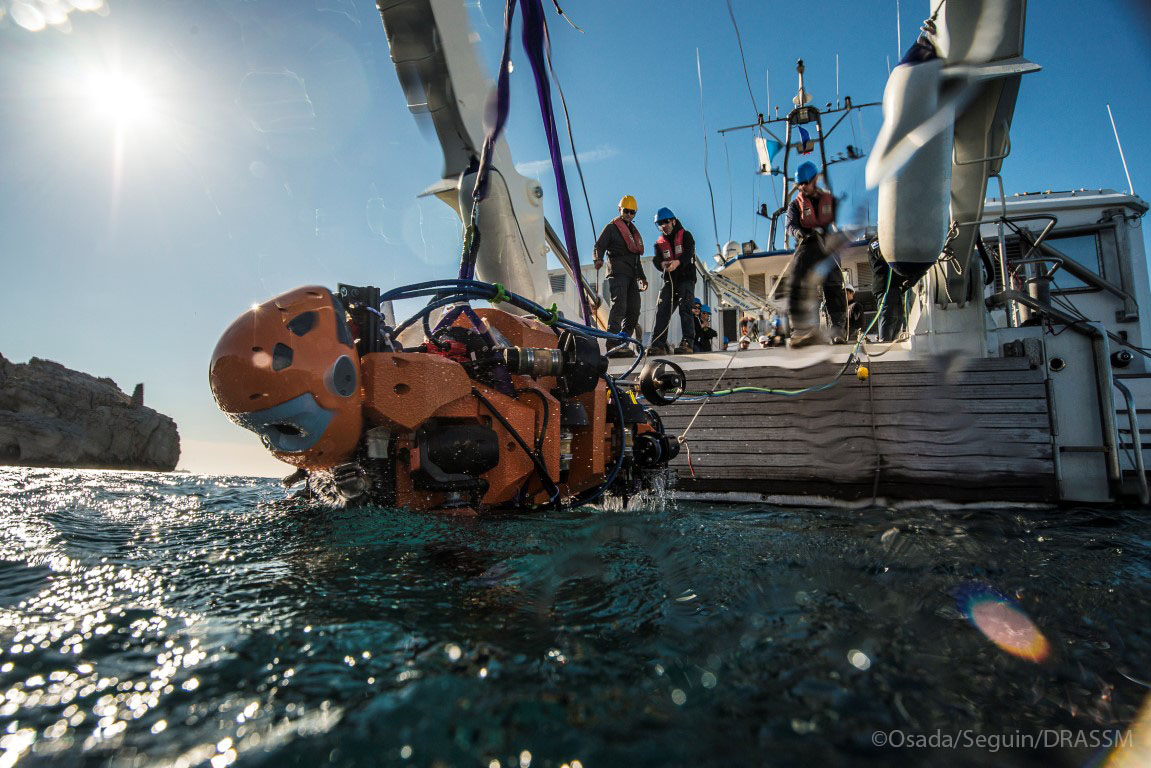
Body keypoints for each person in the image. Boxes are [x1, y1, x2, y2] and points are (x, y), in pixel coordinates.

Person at [785, 161, 846, 347]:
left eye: (806, 182)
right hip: (806, 247)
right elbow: (790, 225)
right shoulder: (795, 206)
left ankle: (837, 330)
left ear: (814, 180)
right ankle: (805, 330)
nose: (803, 186)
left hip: (826, 247)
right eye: (800, 183)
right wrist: (799, 233)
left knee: (834, 286)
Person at [593, 195, 648, 357]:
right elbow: (599, 245)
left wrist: (642, 277)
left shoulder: (632, 232)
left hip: (632, 275)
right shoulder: (611, 228)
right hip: (617, 273)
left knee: (634, 309)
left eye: (633, 212)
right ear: (620, 210)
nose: (629, 215)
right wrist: (598, 258)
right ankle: (612, 344)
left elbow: (636, 258)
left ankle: (623, 341)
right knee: (620, 306)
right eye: (626, 211)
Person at [650, 207, 697, 355]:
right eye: (660, 223)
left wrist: (677, 263)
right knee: (662, 310)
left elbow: (688, 253)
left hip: (686, 279)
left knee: (685, 308)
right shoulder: (659, 244)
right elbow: (657, 260)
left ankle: (687, 342)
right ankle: (658, 344)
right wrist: (662, 265)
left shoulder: (686, 236)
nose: (663, 225)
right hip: (670, 282)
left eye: (666, 222)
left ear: (673, 221)